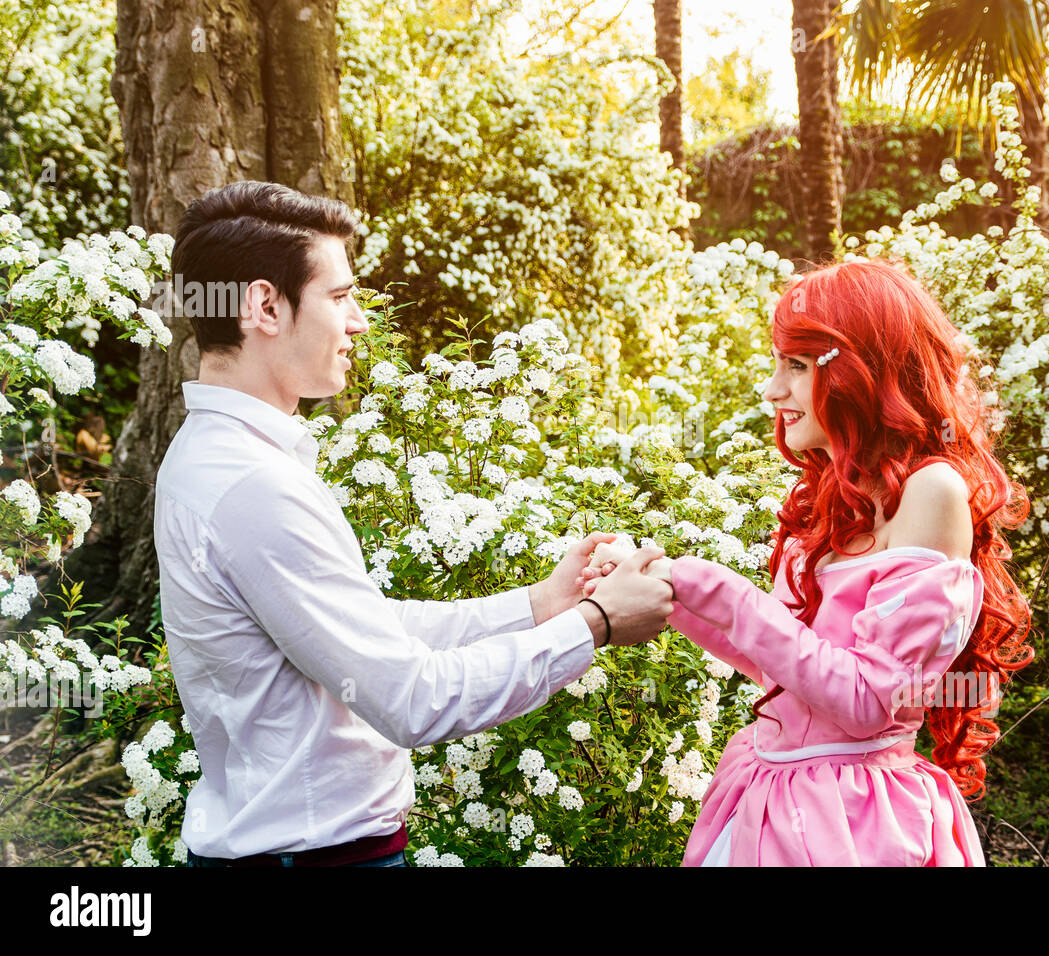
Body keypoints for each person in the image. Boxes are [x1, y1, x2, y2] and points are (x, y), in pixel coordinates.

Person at [154, 181, 673, 867]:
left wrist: (540, 606)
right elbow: (409, 698)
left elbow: (361, 633)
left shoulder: (223, 458)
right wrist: (596, 626)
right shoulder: (252, 486)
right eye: (339, 298)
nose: (358, 321)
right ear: (264, 305)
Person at [582, 258, 1034, 866]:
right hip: (775, 794)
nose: (772, 390)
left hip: (852, 819)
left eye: (796, 366)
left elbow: (870, 700)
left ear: (861, 373)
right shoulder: (837, 495)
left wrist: (706, 583)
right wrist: (665, 592)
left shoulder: (932, 490)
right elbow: (787, 665)